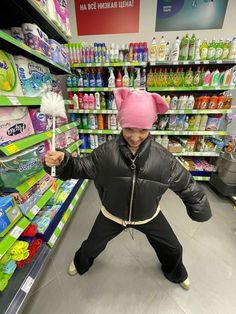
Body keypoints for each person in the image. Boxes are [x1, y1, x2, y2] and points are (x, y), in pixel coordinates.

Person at [45, 87, 212, 290]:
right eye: (129, 129)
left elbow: (186, 183)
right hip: (112, 215)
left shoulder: (164, 159)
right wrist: (62, 161)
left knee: (174, 248)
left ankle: (176, 273)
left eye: (142, 130)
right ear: (121, 125)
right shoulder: (105, 154)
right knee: (90, 246)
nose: (135, 137)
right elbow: (80, 168)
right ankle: (81, 263)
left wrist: (199, 205)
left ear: (151, 127)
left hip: (148, 216)